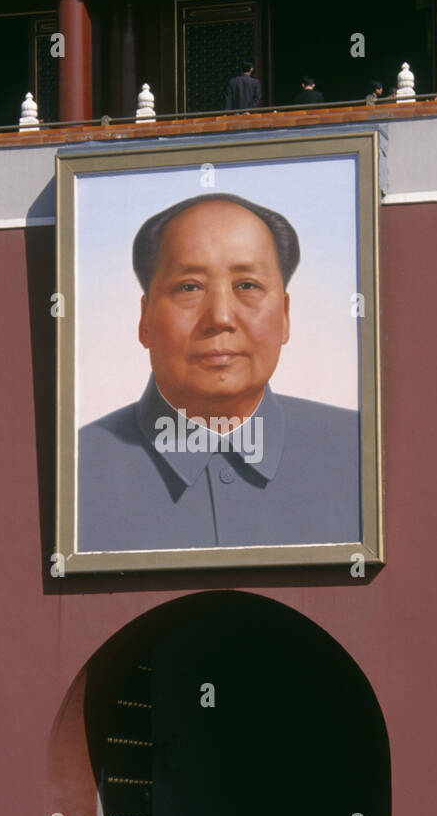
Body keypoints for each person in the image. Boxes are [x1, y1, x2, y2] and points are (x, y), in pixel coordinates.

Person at [77, 193, 362, 553]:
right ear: (145, 319)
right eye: (189, 287)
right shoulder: (76, 471)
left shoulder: (361, 451)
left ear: (286, 315)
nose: (220, 318)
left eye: (247, 286)